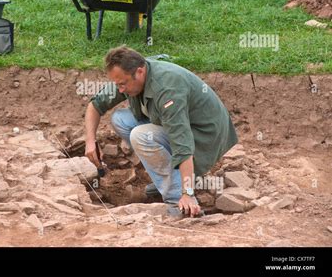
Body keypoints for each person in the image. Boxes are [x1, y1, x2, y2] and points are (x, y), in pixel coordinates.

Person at [84, 46, 238, 217]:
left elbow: (183, 144)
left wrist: (187, 193)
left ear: (140, 72)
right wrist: (90, 142)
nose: (119, 89)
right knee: (120, 119)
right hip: (179, 126)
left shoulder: (166, 90)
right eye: (116, 84)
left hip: (205, 135)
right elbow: (95, 105)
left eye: (122, 84)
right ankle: (169, 178)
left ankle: (177, 200)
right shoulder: (130, 75)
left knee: (140, 136)